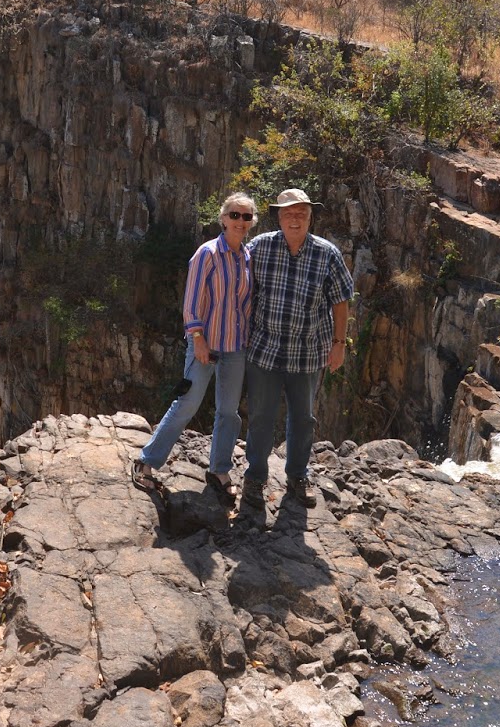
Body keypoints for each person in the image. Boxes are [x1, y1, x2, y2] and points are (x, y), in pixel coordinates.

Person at [132, 192, 258, 500]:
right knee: (188, 403)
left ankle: (219, 468)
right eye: (234, 215)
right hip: (206, 343)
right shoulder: (207, 253)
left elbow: (247, 305)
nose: (240, 221)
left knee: (229, 412)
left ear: (252, 222)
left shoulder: (247, 256)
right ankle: (145, 462)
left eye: (246, 216)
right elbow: (191, 302)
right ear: (223, 219)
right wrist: (197, 338)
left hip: (235, 346)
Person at [242, 188, 354, 509]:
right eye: (289, 213)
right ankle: (255, 476)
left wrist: (338, 344)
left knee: (303, 418)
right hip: (265, 348)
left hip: (308, 354)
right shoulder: (260, 248)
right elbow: (239, 286)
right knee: (261, 416)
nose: (295, 219)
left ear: (310, 217)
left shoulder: (327, 253)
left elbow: (341, 301)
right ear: (279, 216)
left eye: (301, 213)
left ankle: (297, 476)